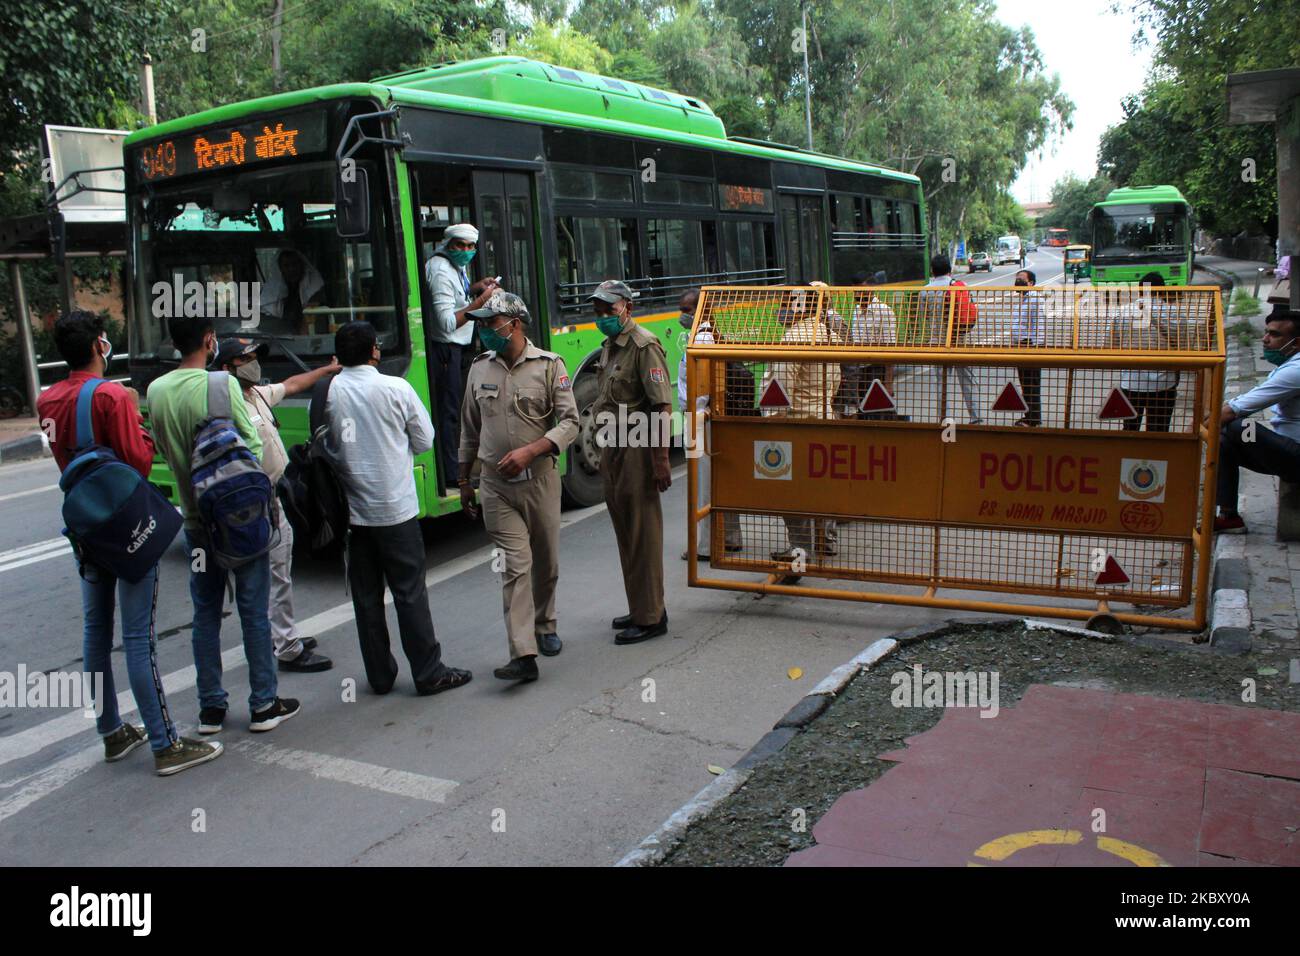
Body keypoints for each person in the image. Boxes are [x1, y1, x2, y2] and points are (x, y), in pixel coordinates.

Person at [39, 312, 222, 776]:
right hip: (126, 529)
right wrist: (141, 437)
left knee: (95, 633)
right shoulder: (112, 396)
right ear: (101, 345)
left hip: (86, 528)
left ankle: (112, 732)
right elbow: (139, 462)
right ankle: (165, 744)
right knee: (139, 637)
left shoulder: (47, 400)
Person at [147, 314, 299, 734]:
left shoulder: (156, 391)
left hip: (196, 525)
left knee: (206, 613)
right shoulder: (222, 385)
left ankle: (211, 708)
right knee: (254, 610)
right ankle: (264, 703)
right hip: (242, 523)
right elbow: (251, 446)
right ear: (210, 340)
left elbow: (163, 447)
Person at [324, 320, 472, 694]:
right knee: (409, 594)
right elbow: (424, 439)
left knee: (367, 598)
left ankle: (379, 676)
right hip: (396, 510)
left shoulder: (329, 391)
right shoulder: (395, 388)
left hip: (354, 516)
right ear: (374, 350)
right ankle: (428, 672)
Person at [458, 291, 579, 682]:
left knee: (546, 561)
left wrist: (534, 450)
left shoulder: (549, 366)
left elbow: (571, 423)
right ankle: (523, 653)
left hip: (540, 481)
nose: (484, 332)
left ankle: (545, 624)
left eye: (490, 323)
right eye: (481, 324)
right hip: (495, 486)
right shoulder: (479, 369)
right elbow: (469, 429)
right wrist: (464, 479)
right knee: (515, 565)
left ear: (514, 323)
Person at [216, 337, 337, 673]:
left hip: (273, 495)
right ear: (227, 369)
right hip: (255, 500)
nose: (254, 363)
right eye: (246, 359)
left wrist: (328, 369)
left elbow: (294, 383)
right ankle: (286, 647)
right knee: (276, 573)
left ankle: (279, 633)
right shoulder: (226, 405)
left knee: (277, 569)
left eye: (255, 357)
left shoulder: (256, 395)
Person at [589, 280, 674, 645]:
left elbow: (661, 406)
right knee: (626, 532)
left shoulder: (644, 346)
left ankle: (652, 618)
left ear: (628, 308)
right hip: (614, 446)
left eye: (610, 309)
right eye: (598, 310)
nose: (603, 316)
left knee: (643, 534)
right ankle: (642, 606)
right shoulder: (610, 347)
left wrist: (660, 461)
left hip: (639, 447)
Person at [765, 291, 841, 565]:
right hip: (826, 418)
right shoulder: (830, 335)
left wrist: (774, 426)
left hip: (798, 426)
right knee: (823, 485)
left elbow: (780, 390)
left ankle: (800, 548)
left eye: (784, 303)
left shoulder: (794, 337)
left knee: (792, 490)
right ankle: (826, 540)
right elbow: (835, 383)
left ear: (800, 306)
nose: (780, 308)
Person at [424, 223, 500, 490]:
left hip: (459, 346)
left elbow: (457, 298)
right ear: (449, 244)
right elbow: (446, 322)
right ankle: (450, 473)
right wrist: (481, 301)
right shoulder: (440, 270)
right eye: (460, 246)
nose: (466, 251)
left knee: (458, 408)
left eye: (470, 247)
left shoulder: (456, 267)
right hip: (446, 348)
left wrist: (477, 288)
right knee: (449, 412)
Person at [1215, 310, 1300, 534]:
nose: (1265, 339)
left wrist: (1190, 434)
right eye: (1265, 333)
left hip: (1296, 456)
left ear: (1296, 342)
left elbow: (1234, 410)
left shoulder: (1296, 371)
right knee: (1225, 442)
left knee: (1237, 426)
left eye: (1274, 334)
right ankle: (1228, 516)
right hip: (1287, 449)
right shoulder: (1290, 366)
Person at [677, 288, 744, 561]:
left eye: (687, 309)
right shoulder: (710, 333)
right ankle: (730, 537)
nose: (683, 315)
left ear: (700, 310)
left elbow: (701, 386)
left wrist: (695, 414)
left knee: (703, 485)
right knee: (721, 480)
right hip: (712, 416)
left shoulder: (702, 338)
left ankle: (706, 546)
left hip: (701, 417)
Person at [1112, 273, 1180, 432]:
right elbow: (1184, 346)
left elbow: (1111, 345)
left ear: (1140, 291)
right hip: (1164, 383)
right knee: (1158, 432)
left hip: (1130, 382)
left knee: (1130, 431)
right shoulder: (1174, 313)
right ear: (1162, 291)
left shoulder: (1123, 312)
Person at [920, 255, 983, 424]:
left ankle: (945, 418)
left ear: (932, 270)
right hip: (961, 338)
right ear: (950, 269)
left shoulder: (926, 290)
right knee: (968, 378)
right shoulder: (961, 286)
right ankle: (976, 417)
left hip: (938, 341)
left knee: (941, 382)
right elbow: (971, 309)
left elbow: (924, 316)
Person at [262, 250, 325, 335]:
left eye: (294, 264)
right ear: (280, 269)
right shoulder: (271, 290)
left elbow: (307, 324)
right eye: (286, 266)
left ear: (302, 265)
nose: (291, 269)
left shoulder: (314, 287)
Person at [1011, 269, 1045, 426]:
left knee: (1031, 383)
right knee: (1026, 383)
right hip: (1021, 345)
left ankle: (1033, 418)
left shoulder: (1035, 300)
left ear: (1031, 283)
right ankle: (1030, 416)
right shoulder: (1024, 299)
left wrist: (1035, 347)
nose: (1018, 282)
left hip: (1030, 345)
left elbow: (1039, 325)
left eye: (1022, 279)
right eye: (1017, 279)